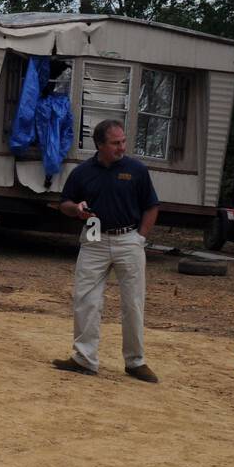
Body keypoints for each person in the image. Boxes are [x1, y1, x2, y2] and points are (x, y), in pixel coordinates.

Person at [53, 119, 161, 382]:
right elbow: (64, 203)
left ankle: (136, 362)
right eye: (115, 143)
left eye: (123, 141)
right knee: (86, 300)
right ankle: (84, 359)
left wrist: (140, 239)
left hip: (129, 240)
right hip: (93, 239)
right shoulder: (82, 173)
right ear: (100, 145)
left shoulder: (136, 170)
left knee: (133, 303)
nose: (122, 147)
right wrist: (76, 209)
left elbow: (152, 206)